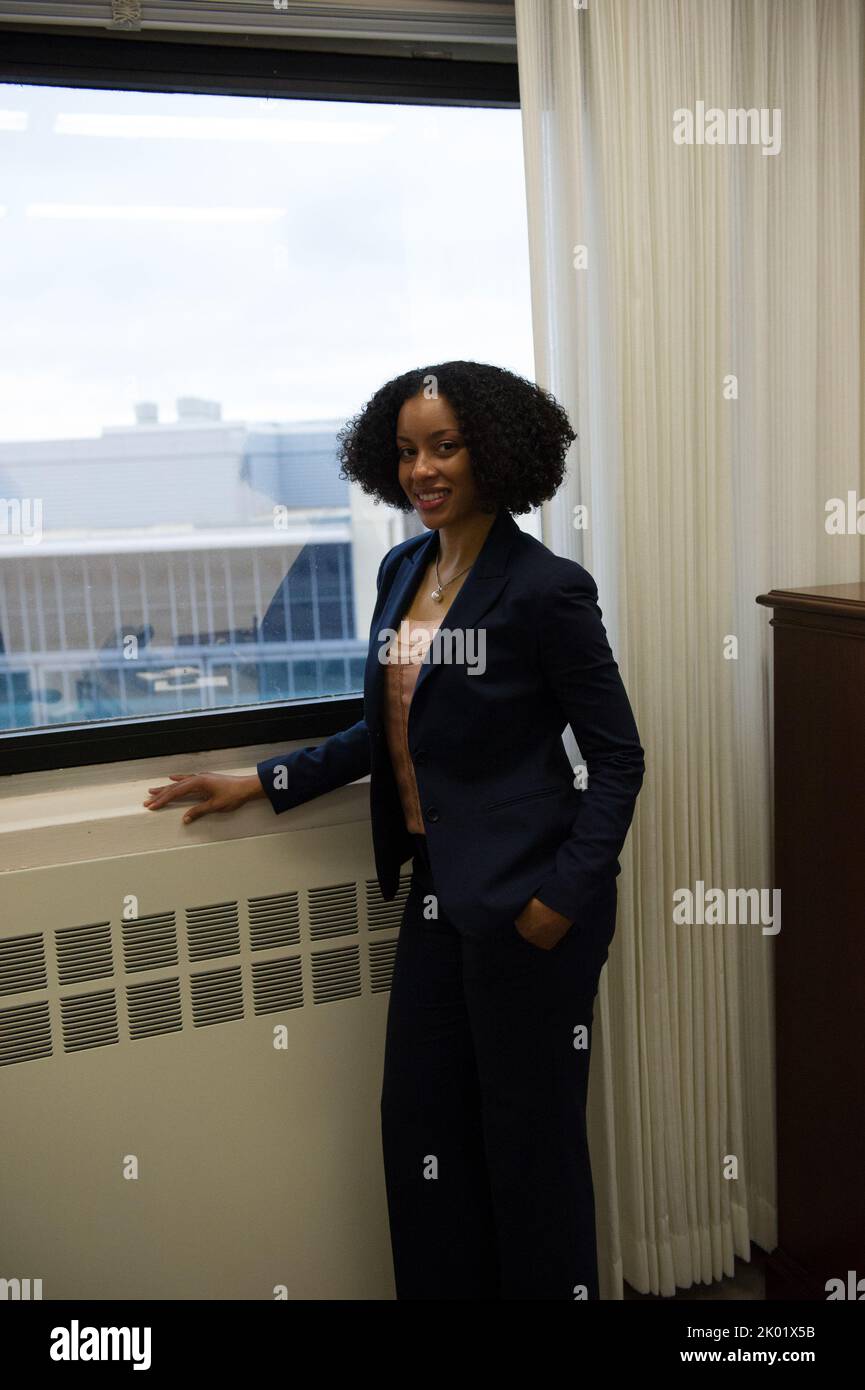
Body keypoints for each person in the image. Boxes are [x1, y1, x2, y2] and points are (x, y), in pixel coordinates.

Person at [143, 360, 645, 1300]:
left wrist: (560, 901)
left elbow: (618, 759)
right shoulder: (402, 568)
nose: (423, 468)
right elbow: (387, 729)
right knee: (420, 1129)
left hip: (530, 908)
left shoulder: (546, 590)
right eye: (408, 450)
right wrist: (259, 779)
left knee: (528, 1148)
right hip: (436, 899)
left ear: (494, 452)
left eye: (444, 446)